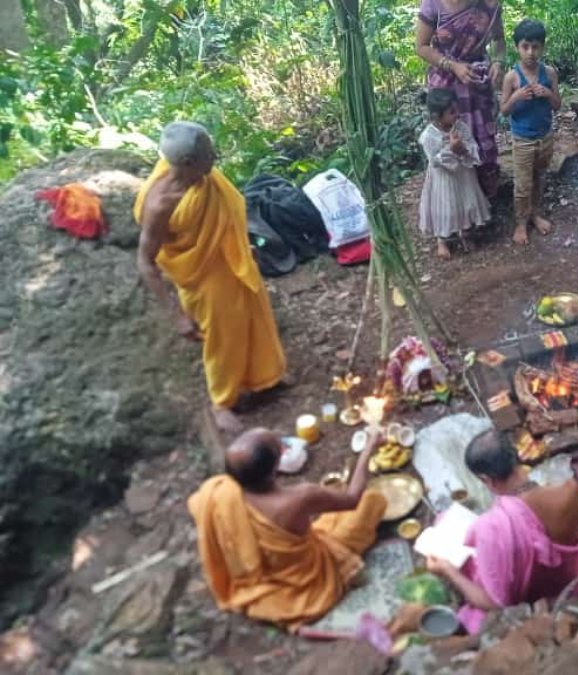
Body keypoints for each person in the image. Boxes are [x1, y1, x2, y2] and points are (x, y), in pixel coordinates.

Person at [135, 121, 287, 434]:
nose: (215, 158)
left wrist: (242, 246)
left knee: (256, 313)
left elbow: (227, 213)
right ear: (188, 163)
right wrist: (176, 316)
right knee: (223, 339)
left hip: (227, 256)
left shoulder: (201, 178)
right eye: (210, 156)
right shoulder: (161, 203)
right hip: (200, 276)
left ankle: (265, 374)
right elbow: (145, 262)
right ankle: (221, 402)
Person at [187, 428, 388, 629]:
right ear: (277, 464)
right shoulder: (300, 497)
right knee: (371, 500)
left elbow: (196, 506)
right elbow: (352, 499)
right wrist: (367, 450)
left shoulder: (218, 494)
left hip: (263, 572)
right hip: (310, 576)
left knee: (332, 507)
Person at [426, 430, 578, 634]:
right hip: (574, 576)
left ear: (486, 480)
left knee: (444, 523)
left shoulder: (491, 527)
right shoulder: (571, 490)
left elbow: (499, 603)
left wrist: (448, 570)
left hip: (537, 594)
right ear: (517, 457)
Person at [416, 0, 505, 199]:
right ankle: (457, 200)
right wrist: (453, 66)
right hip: (446, 86)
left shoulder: (490, 4)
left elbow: (499, 40)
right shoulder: (433, 5)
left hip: (478, 81)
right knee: (450, 141)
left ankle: (485, 198)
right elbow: (421, 46)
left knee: (483, 137)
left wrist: (498, 62)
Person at [500, 18, 561, 246]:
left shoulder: (550, 73)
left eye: (536, 46)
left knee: (538, 178)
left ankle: (535, 213)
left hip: (545, 137)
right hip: (523, 140)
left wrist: (547, 93)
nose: (531, 52)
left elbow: (557, 105)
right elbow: (504, 110)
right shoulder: (512, 77)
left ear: (543, 47)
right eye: (525, 46)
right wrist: (515, 97)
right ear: (517, 47)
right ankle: (521, 223)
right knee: (523, 184)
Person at [419, 88, 492, 260]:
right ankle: (442, 240)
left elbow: (472, 146)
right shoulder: (429, 136)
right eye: (452, 112)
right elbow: (435, 161)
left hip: (464, 174)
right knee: (445, 208)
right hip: (443, 179)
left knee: (467, 203)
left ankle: (465, 233)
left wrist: (463, 149)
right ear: (437, 116)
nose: (457, 114)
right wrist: (451, 150)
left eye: (456, 109)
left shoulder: (461, 127)